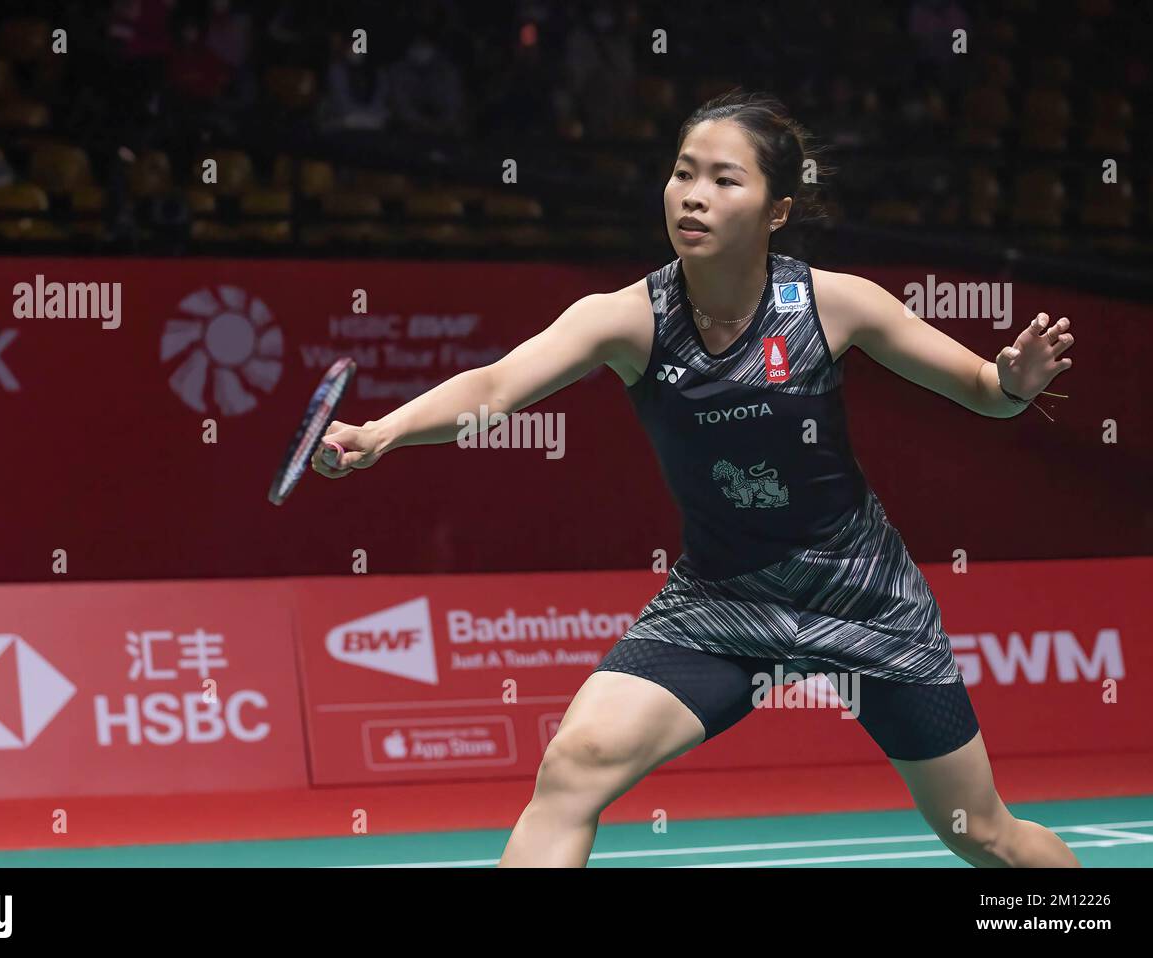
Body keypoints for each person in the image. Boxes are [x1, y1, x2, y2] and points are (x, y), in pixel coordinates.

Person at [311, 90, 1079, 869]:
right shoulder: (625, 318)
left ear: (776, 211)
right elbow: (494, 390)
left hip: (864, 598)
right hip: (721, 600)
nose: (695, 196)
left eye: (723, 179)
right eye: (683, 175)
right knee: (574, 769)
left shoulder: (833, 305)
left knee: (980, 833)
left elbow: (984, 393)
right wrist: (382, 432)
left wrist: (1012, 381)